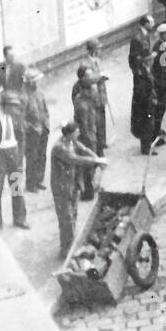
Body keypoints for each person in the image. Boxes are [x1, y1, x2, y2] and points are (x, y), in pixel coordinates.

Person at [50, 122, 106, 256]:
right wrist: (96, 162)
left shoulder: (72, 141)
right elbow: (74, 159)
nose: (79, 133)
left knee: (73, 215)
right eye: (77, 132)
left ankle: (70, 246)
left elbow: (84, 149)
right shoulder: (59, 147)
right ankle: (65, 249)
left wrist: (97, 158)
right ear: (69, 133)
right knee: (66, 220)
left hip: (72, 185)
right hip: (61, 187)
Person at [0, 92, 27, 228]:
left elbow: (21, 135)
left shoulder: (15, 116)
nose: (15, 110)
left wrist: (19, 154)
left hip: (13, 152)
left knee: (16, 186)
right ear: (5, 105)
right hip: (0, 154)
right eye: (12, 106)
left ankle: (19, 218)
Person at [72, 73, 100, 200]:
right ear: (86, 90)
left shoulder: (84, 100)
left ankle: (87, 187)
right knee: (88, 166)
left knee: (89, 166)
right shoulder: (82, 105)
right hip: (87, 138)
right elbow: (83, 127)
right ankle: (87, 191)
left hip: (91, 134)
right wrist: (90, 141)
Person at [22, 67, 50, 192]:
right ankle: (31, 183)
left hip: (43, 128)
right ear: (30, 82)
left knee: (42, 155)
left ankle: (39, 180)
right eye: (35, 80)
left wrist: (47, 123)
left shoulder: (39, 92)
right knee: (32, 158)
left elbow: (45, 108)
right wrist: (31, 128)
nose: (37, 83)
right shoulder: (23, 96)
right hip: (32, 133)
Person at [130, 49, 159, 156]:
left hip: (147, 101)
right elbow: (143, 91)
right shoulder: (141, 73)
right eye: (151, 60)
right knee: (147, 124)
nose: (152, 61)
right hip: (144, 104)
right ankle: (146, 147)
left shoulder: (146, 70)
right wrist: (151, 100)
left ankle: (146, 144)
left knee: (148, 123)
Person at [82, 40, 109, 153]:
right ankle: (98, 146)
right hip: (93, 96)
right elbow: (88, 79)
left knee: (102, 119)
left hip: (101, 94)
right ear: (92, 50)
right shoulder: (85, 64)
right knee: (96, 122)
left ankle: (102, 141)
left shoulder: (97, 61)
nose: (99, 50)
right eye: (98, 48)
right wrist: (100, 77)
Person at [128, 15, 156, 79]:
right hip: (140, 71)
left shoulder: (145, 33)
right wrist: (150, 57)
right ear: (146, 24)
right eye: (152, 23)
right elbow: (136, 58)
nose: (153, 25)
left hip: (146, 67)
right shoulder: (137, 38)